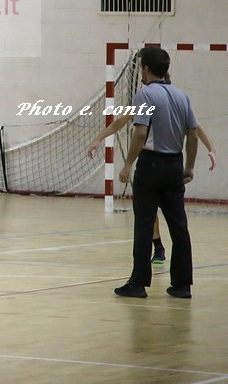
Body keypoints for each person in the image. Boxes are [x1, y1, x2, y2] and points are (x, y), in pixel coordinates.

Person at [86, 76, 216, 265]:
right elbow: (120, 122)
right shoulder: (153, 103)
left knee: (156, 214)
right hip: (171, 165)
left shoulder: (162, 101)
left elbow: (196, 129)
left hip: (156, 164)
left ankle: (146, 269)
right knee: (160, 214)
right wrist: (98, 139)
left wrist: (128, 164)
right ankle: (162, 251)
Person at [114, 46, 198, 299]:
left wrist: (128, 164)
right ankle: (182, 285)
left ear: (146, 69)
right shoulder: (182, 96)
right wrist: (189, 167)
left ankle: (138, 284)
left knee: (144, 224)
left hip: (151, 165)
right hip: (174, 165)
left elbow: (140, 132)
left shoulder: (145, 94)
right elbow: (192, 135)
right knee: (179, 226)